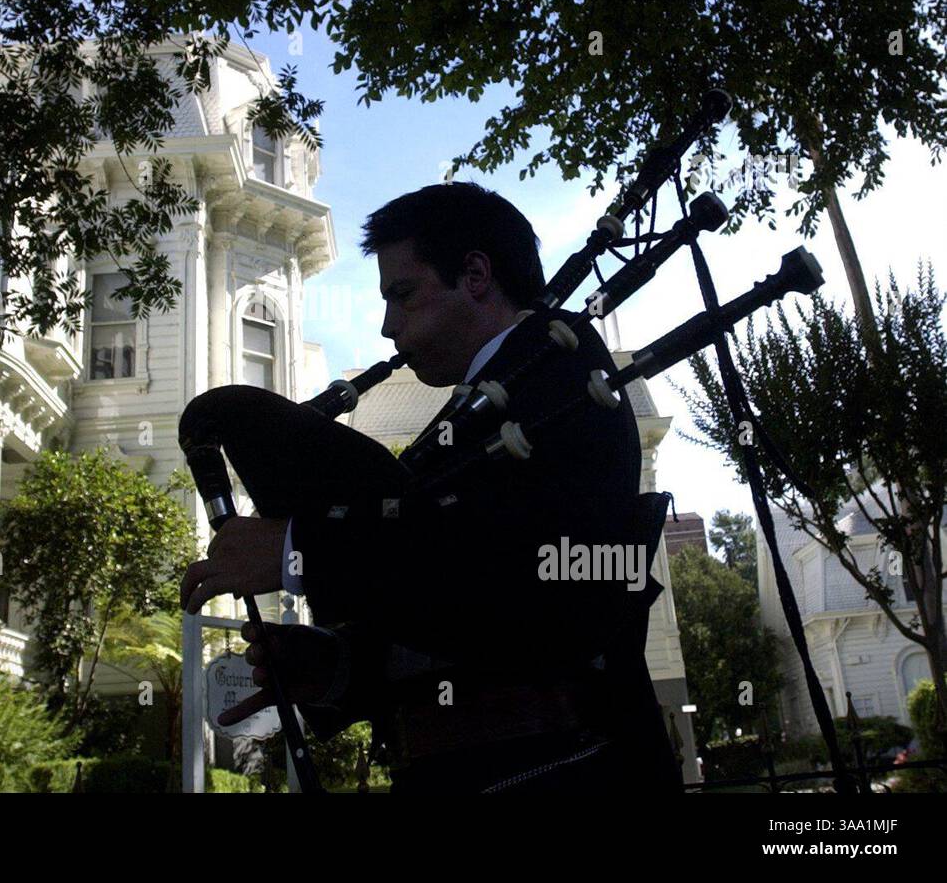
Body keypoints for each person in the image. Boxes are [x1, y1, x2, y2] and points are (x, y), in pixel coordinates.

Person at [180, 182, 681, 794]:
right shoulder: (498, 391)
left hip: (555, 773)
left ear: (474, 274)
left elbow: (518, 577)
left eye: (404, 294)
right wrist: (333, 666)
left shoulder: (561, 376)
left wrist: (297, 550)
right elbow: (458, 621)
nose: (389, 326)